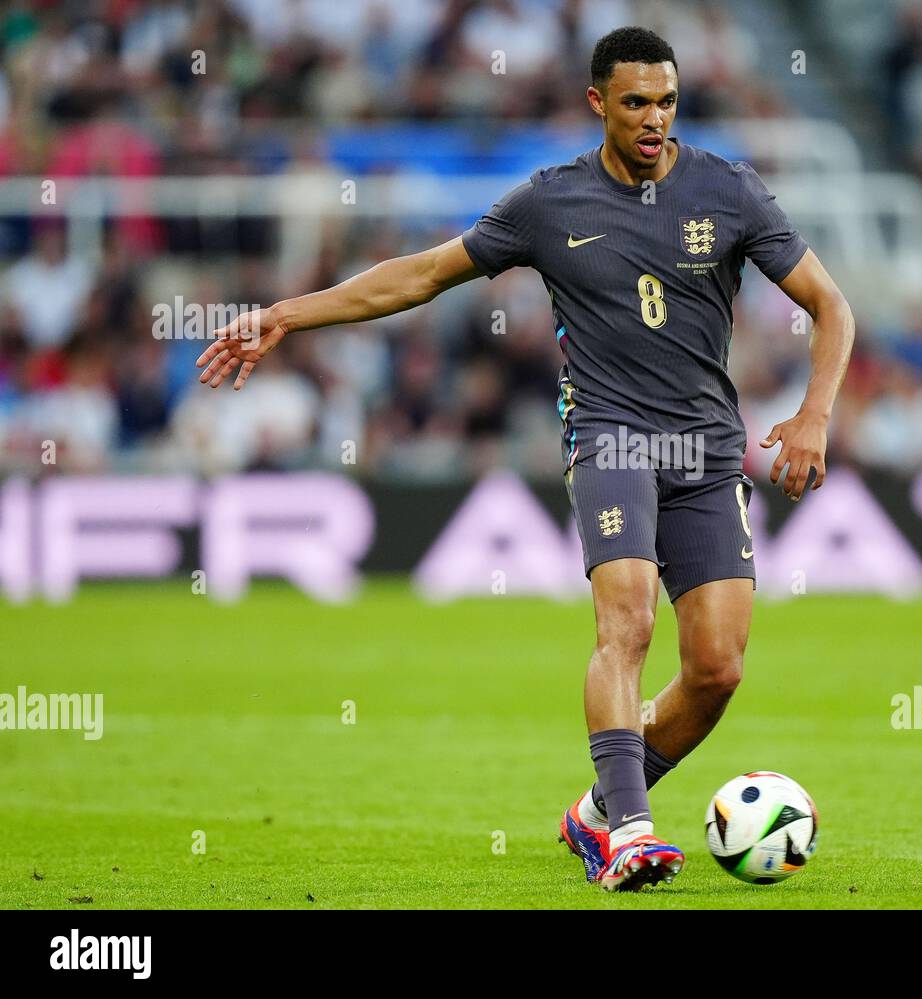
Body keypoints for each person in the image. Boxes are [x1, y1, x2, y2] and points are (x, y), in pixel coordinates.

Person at [195, 26, 855, 892]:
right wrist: (288, 312)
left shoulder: (728, 190)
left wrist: (814, 413)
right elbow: (422, 275)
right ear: (597, 104)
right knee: (627, 624)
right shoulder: (550, 203)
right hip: (610, 435)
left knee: (717, 669)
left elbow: (830, 306)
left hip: (706, 450)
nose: (654, 119)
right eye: (635, 104)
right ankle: (630, 833)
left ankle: (593, 811)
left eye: (666, 101)